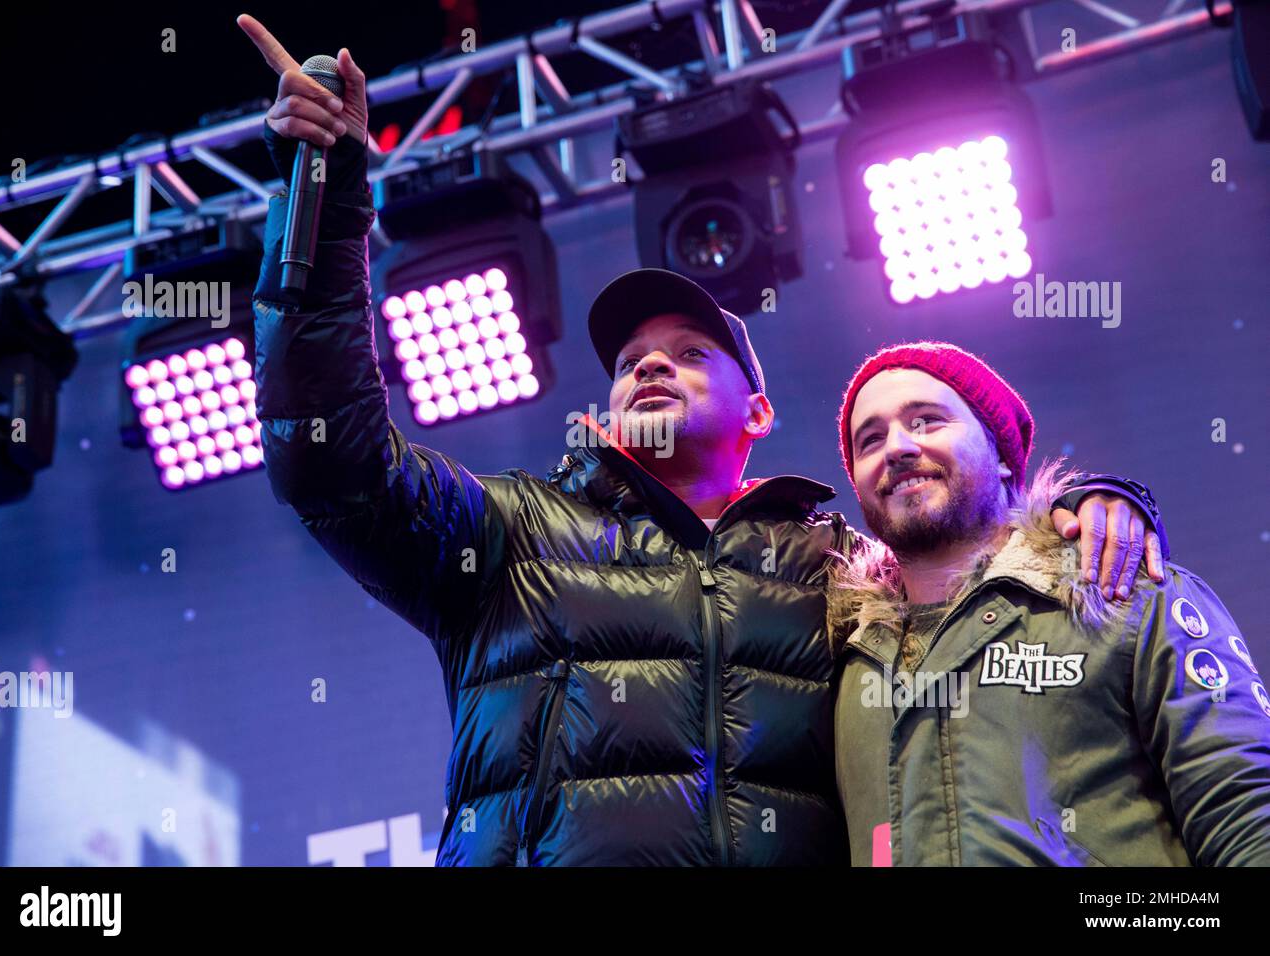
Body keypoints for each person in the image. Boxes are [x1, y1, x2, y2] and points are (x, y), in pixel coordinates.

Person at [238, 15, 1167, 865]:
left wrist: (1091, 505)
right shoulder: (509, 535)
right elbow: (330, 459)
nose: (650, 367)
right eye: (631, 360)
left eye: (688, 354)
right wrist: (326, 204)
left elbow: (974, 559)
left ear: (757, 413)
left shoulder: (840, 570)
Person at [829, 342, 1270, 866]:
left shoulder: (1123, 590)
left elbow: (1246, 812)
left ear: (999, 454)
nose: (897, 446)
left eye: (926, 421)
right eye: (870, 439)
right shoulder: (842, 657)